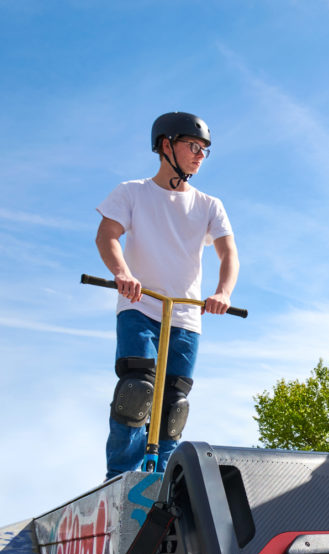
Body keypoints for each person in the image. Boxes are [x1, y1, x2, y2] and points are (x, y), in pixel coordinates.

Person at [94, 112, 240, 479]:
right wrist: (123, 274)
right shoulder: (132, 192)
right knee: (136, 393)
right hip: (140, 306)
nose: (200, 155)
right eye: (193, 146)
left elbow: (228, 254)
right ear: (165, 146)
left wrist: (222, 292)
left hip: (186, 317)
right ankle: (121, 479)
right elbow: (107, 235)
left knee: (174, 408)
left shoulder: (209, 205)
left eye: (205, 150)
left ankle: (161, 481)